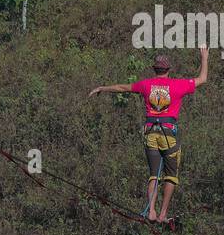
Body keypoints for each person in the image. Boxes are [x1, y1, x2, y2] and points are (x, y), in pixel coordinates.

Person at [88, 46, 209, 224]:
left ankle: (150, 211)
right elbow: (202, 78)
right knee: (171, 176)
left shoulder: (146, 85)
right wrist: (204, 57)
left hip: (151, 133)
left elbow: (123, 87)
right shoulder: (178, 85)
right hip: (169, 134)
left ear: (155, 69)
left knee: (154, 174)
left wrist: (102, 88)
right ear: (168, 70)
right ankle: (162, 214)